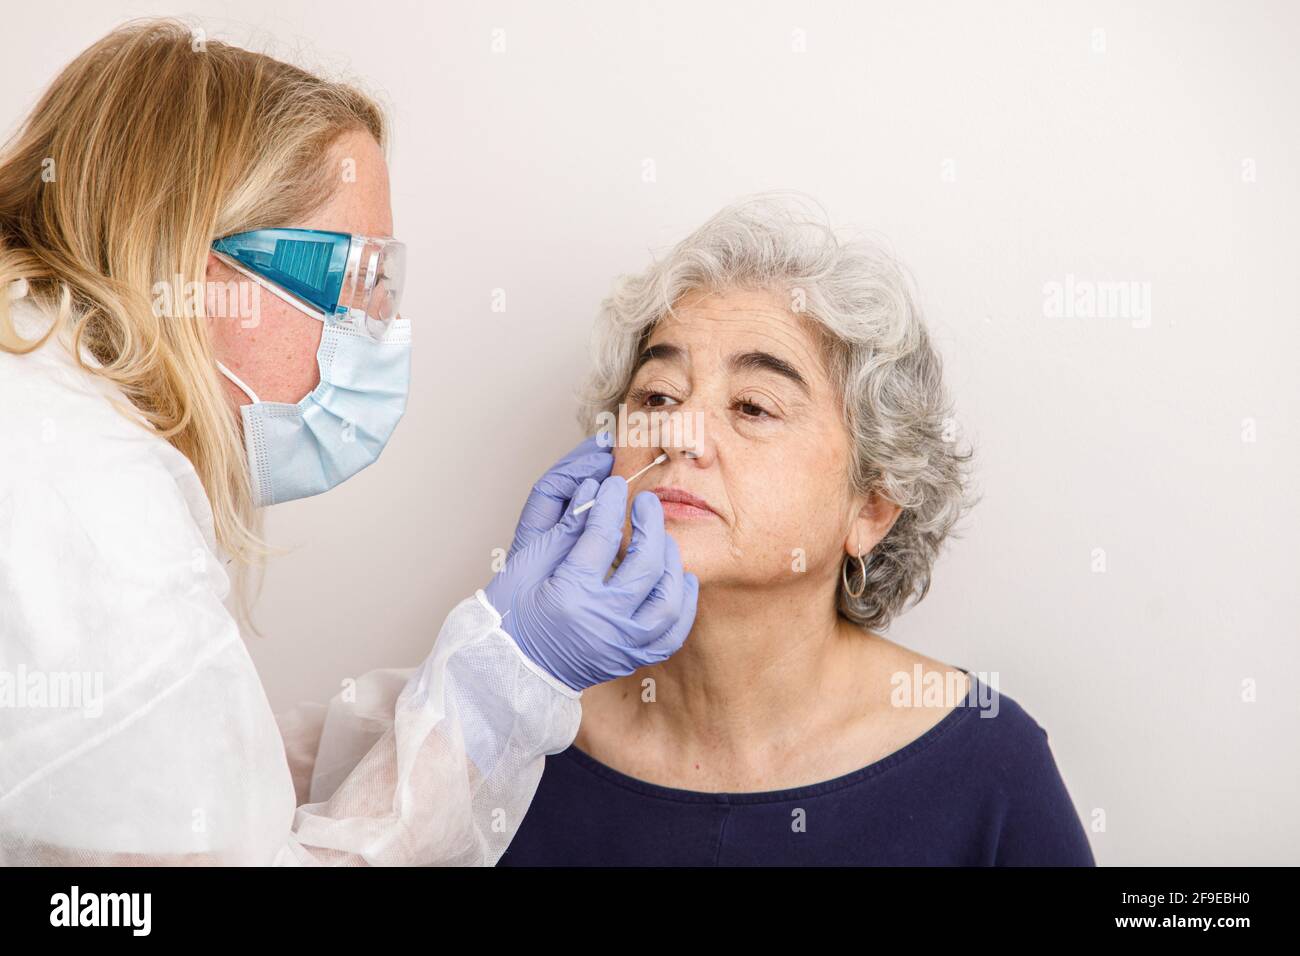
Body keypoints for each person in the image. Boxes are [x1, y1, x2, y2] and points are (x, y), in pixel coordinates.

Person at [0, 20, 695, 865]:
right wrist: (510, 679)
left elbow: (195, 777)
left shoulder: (48, 424)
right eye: (363, 276)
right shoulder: (83, 501)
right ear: (205, 269)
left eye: (757, 407)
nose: (382, 328)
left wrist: (489, 668)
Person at [498, 195, 1096, 866]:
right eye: (658, 396)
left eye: (753, 406)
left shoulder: (989, 765)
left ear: (871, 508)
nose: (677, 433)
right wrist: (500, 677)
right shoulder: (517, 724)